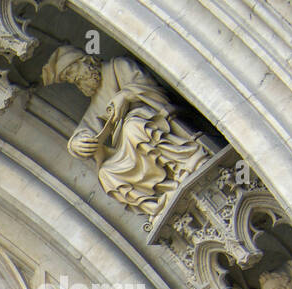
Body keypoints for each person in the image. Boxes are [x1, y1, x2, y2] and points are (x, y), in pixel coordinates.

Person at [40, 47, 209, 217]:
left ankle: (182, 165)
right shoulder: (96, 103)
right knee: (106, 173)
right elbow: (86, 128)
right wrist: (76, 144)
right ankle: (157, 204)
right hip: (130, 146)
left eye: (71, 72)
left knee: (132, 126)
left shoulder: (118, 66)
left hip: (153, 123)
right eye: (68, 78)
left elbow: (150, 87)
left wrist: (126, 96)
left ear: (86, 62)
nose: (73, 79)